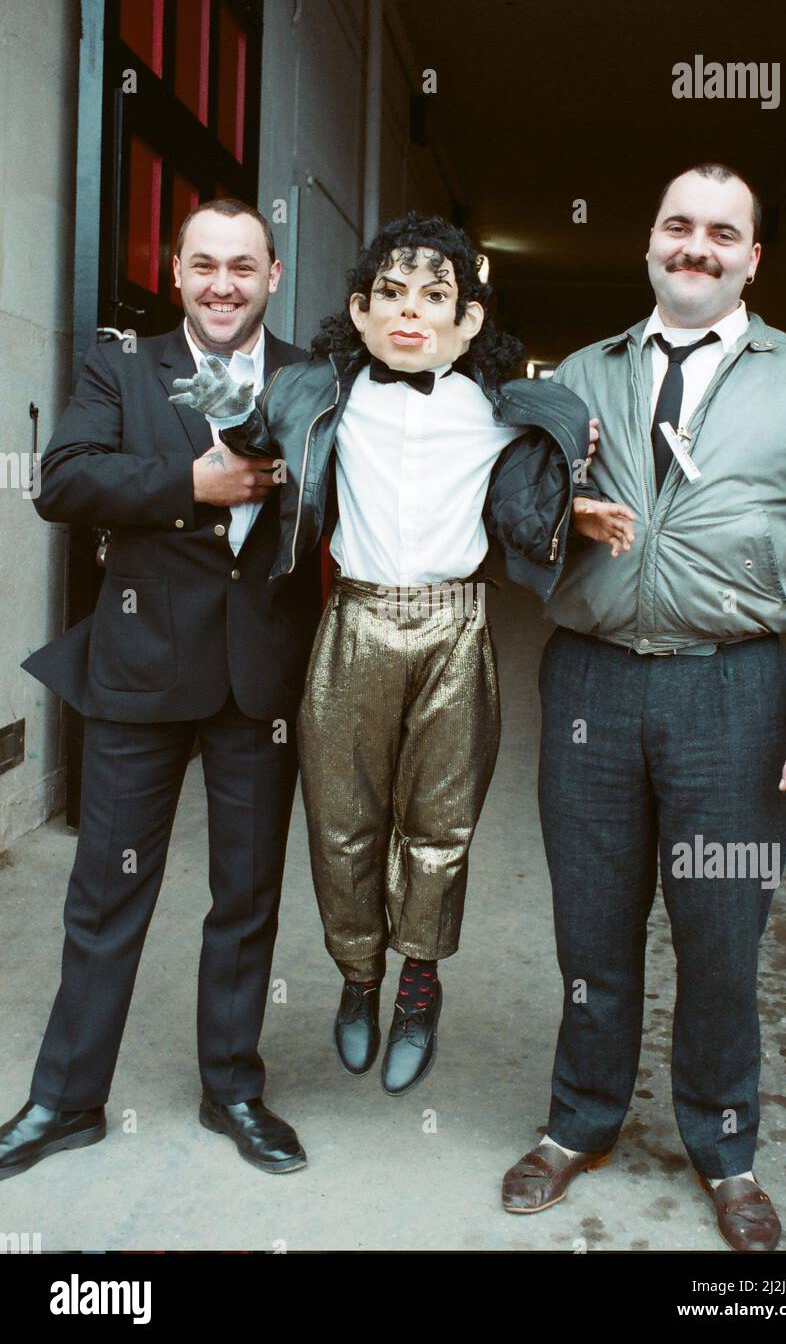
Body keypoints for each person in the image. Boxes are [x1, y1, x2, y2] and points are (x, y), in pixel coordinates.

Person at [171, 212, 626, 1097]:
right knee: (342, 824)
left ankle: (419, 984)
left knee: (439, 828)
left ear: (470, 321)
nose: (411, 311)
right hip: (355, 626)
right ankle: (358, 977)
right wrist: (227, 413)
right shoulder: (320, 396)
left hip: (456, 631)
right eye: (391, 294)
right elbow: (260, 444)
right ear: (360, 309)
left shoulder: (506, 410)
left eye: (436, 296)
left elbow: (532, 490)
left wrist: (576, 502)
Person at [501, 164, 786, 1251]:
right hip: (591, 685)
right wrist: (560, 518)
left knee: (719, 935)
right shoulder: (576, 375)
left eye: (720, 232)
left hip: (732, 690)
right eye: (675, 226)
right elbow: (512, 529)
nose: (694, 245)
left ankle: (724, 1147)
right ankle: (581, 1124)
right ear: (649, 244)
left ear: (752, 257)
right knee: (591, 927)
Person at [0, 199, 320, 1181]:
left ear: (272, 275)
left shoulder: (315, 378)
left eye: (243, 265)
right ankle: (66, 1097)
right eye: (203, 265)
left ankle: (232, 1086)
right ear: (174, 272)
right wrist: (193, 484)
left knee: (247, 893)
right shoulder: (123, 368)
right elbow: (63, 481)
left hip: (258, 675)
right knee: (107, 891)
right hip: (141, 668)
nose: (223, 283)